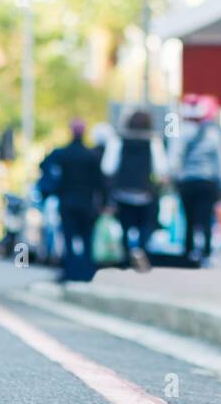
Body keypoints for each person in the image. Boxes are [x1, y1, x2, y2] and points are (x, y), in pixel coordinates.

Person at [170, 94, 221, 266]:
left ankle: (188, 252)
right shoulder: (213, 133)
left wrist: (174, 177)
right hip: (208, 182)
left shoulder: (180, 131)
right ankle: (206, 251)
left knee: (189, 219)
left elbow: (175, 159)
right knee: (206, 217)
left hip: (187, 182)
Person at [100, 109, 168, 272]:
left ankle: (127, 256)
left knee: (125, 227)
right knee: (146, 225)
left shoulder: (118, 140)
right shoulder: (153, 141)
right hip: (145, 192)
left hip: (122, 192)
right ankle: (141, 250)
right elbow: (161, 168)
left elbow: (108, 167)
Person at [41, 118, 107, 283]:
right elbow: (100, 182)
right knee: (87, 239)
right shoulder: (91, 156)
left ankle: (70, 271)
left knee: (69, 237)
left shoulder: (61, 154)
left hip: (67, 202)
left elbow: (44, 167)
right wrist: (104, 202)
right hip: (87, 204)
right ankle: (86, 272)